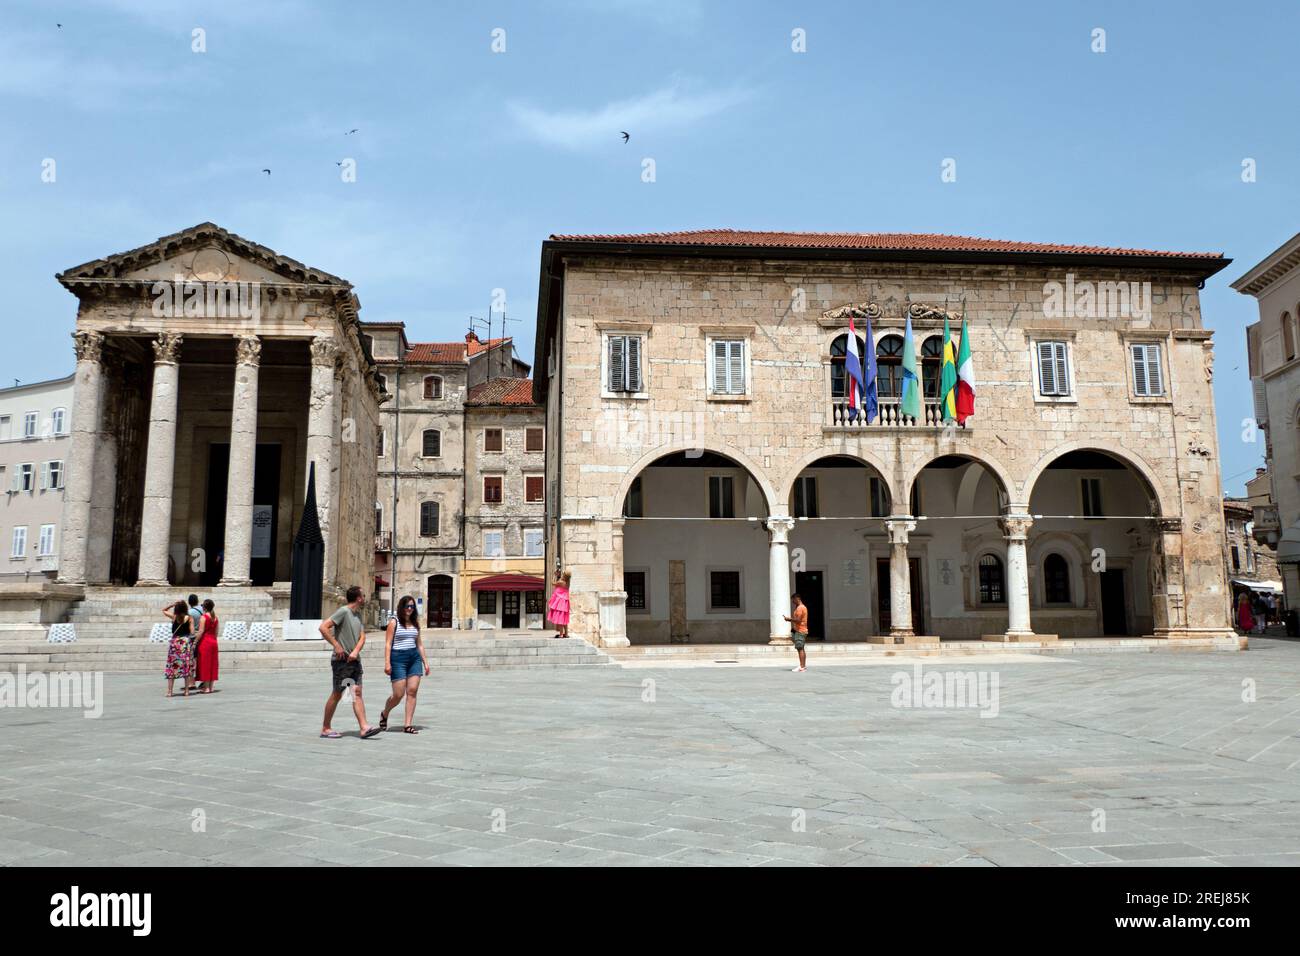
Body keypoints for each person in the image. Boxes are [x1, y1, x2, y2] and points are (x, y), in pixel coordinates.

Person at [319, 585, 381, 739]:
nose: (365, 598)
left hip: (354, 660)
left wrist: (355, 651)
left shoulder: (358, 615)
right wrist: (337, 645)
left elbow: (362, 637)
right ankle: (326, 728)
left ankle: (364, 728)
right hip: (341, 661)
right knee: (337, 694)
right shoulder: (344, 611)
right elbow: (323, 627)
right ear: (359, 598)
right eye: (363, 596)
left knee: (357, 692)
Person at [379, 595, 430, 734]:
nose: (409, 609)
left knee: (412, 691)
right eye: (407, 606)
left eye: (412, 607)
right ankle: (385, 713)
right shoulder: (394, 622)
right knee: (398, 694)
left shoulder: (415, 623)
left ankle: (407, 725)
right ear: (401, 607)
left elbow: (419, 644)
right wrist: (387, 663)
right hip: (397, 658)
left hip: (414, 658)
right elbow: (388, 644)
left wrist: (425, 662)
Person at [162, 600, 195, 697]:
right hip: (185, 643)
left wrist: (172, 604)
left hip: (175, 643)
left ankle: (169, 691)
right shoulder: (189, 618)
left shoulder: (174, 617)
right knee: (185, 667)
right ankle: (186, 691)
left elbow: (163, 610)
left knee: (172, 667)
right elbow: (192, 632)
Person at [195, 599, 220, 693]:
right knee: (213, 664)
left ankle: (206, 687)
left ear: (204, 607)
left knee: (205, 664)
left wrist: (195, 641)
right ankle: (211, 686)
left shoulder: (204, 617)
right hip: (213, 642)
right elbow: (216, 632)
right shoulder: (216, 618)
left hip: (205, 642)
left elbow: (201, 631)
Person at [783, 592, 809, 672]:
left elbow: (798, 620)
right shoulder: (801, 607)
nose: (793, 602)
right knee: (801, 648)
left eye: (793, 600)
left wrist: (789, 619)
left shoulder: (800, 608)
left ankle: (801, 666)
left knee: (800, 649)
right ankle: (803, 666)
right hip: (801, 630)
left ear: (797, 598)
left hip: (800, 631)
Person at [547, 570, 571, 638]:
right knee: (564, 618)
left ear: (564, 575)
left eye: (563, 574)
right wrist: (558, 575)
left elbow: (552, 583)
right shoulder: (567, 582)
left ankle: (561, 634)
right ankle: (566, 634)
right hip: (564, 601)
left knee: (560, 617)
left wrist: (554, 575)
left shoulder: (561, 582)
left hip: (560, 601)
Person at [187, 594, 205, 688]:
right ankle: (204, 681)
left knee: (191, 660)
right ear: (197, 601)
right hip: (203, 637)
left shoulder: (189, 612)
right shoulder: (203, 610)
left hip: (193, 637)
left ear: (189, 602)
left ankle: (191, 682)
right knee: (201, 660)